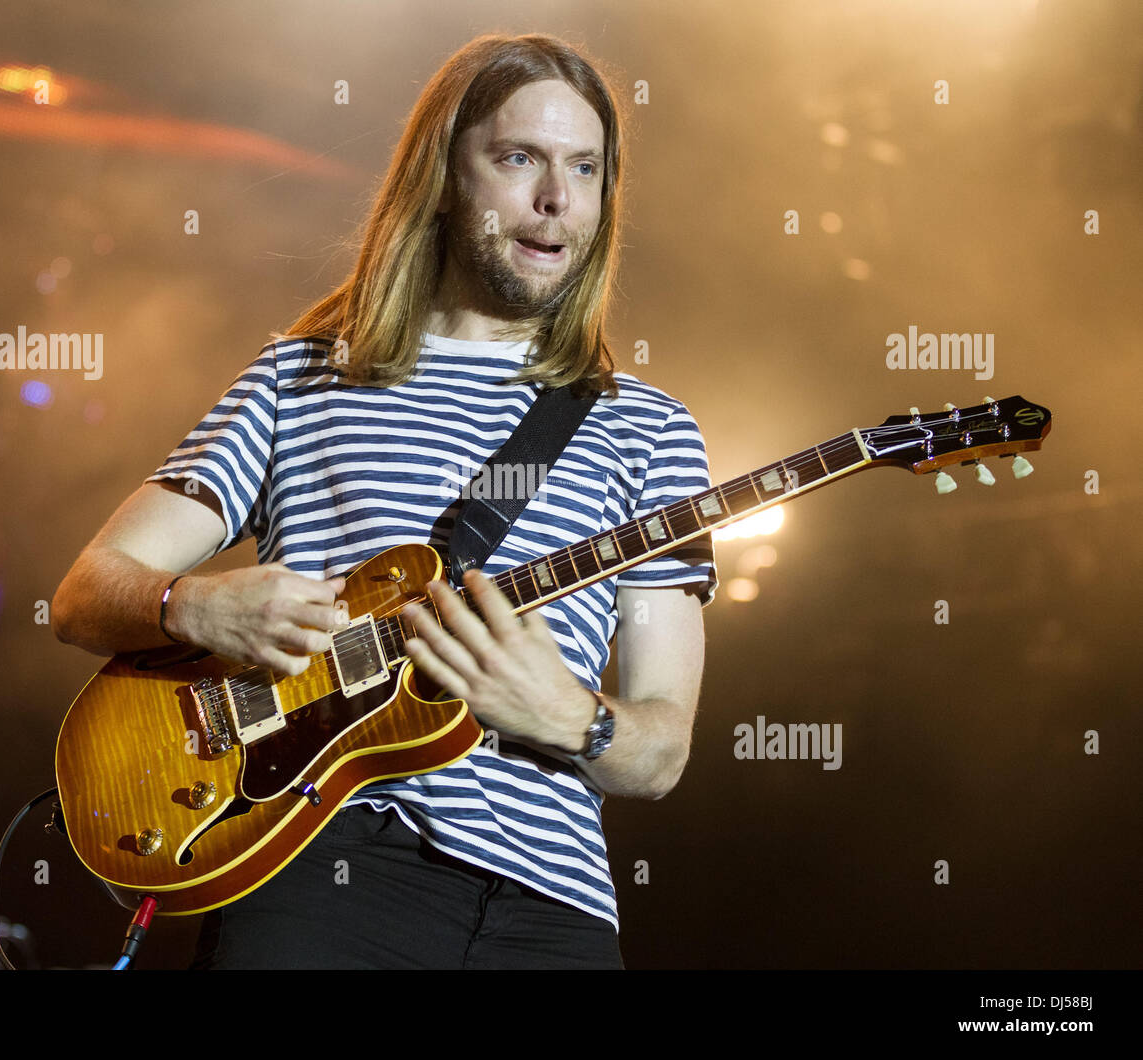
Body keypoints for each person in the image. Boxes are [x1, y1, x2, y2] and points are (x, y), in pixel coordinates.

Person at [53, 33, 716, 969]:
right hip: (328, 872)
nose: (556, 199)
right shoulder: (301, 377)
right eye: (519, 158)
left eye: (586, 168)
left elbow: (661, 753)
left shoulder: (648, 428)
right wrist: (194, 603)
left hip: (555, 913)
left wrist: (570, 717)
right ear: (444, 176)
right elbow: (83, 595)